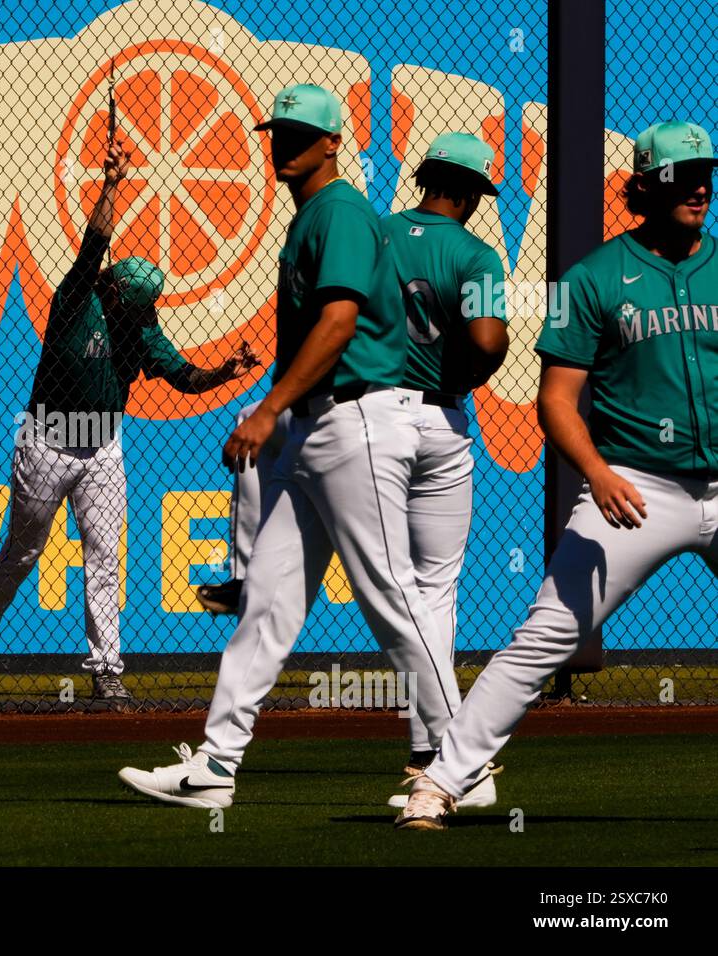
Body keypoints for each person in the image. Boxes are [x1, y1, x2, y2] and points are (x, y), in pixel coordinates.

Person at [118, 83, 461, 807]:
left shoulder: (338, 211)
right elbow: (312, 335)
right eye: (278, 131)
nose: (285, 143)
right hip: (318, 426)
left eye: (302, 133)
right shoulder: (313, 213)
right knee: (268, 604)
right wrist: (277, 413)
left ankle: (462, 762)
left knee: (391, 597)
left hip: (355, 419)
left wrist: (268, 409)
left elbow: (339, 323)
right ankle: (215, 767)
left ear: (333, 142)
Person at [396, 120, 718, 829]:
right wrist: (597, 473)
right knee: (547, 636)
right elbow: (555, 399)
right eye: (682, 175)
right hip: (636, 485)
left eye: (706, 173)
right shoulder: (591, 280)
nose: (699, 186)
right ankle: (441, 781)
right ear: (645, 187)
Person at [199, 133, 511, 800]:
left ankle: (441, 754)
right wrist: (448, 381)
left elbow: (335, 316)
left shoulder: (376, 228)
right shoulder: (478, 254)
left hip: (368, 407)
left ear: (426, 178)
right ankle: (448, 754)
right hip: (433, 421)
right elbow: (487, 344)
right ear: (473, 193)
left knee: (378, 589)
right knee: (428, 589)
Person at [0, 142, 258, 701]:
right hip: (46, 445)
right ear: (111, 291)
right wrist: (114, 182)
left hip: (103, 450)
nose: (148, 316)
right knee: (22, 553)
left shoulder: (140, 327)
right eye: (139, 305)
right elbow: (94, 245)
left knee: (105, 555)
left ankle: (106, 668)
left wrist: (225, 372)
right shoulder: (74, 301)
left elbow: (182, 377)